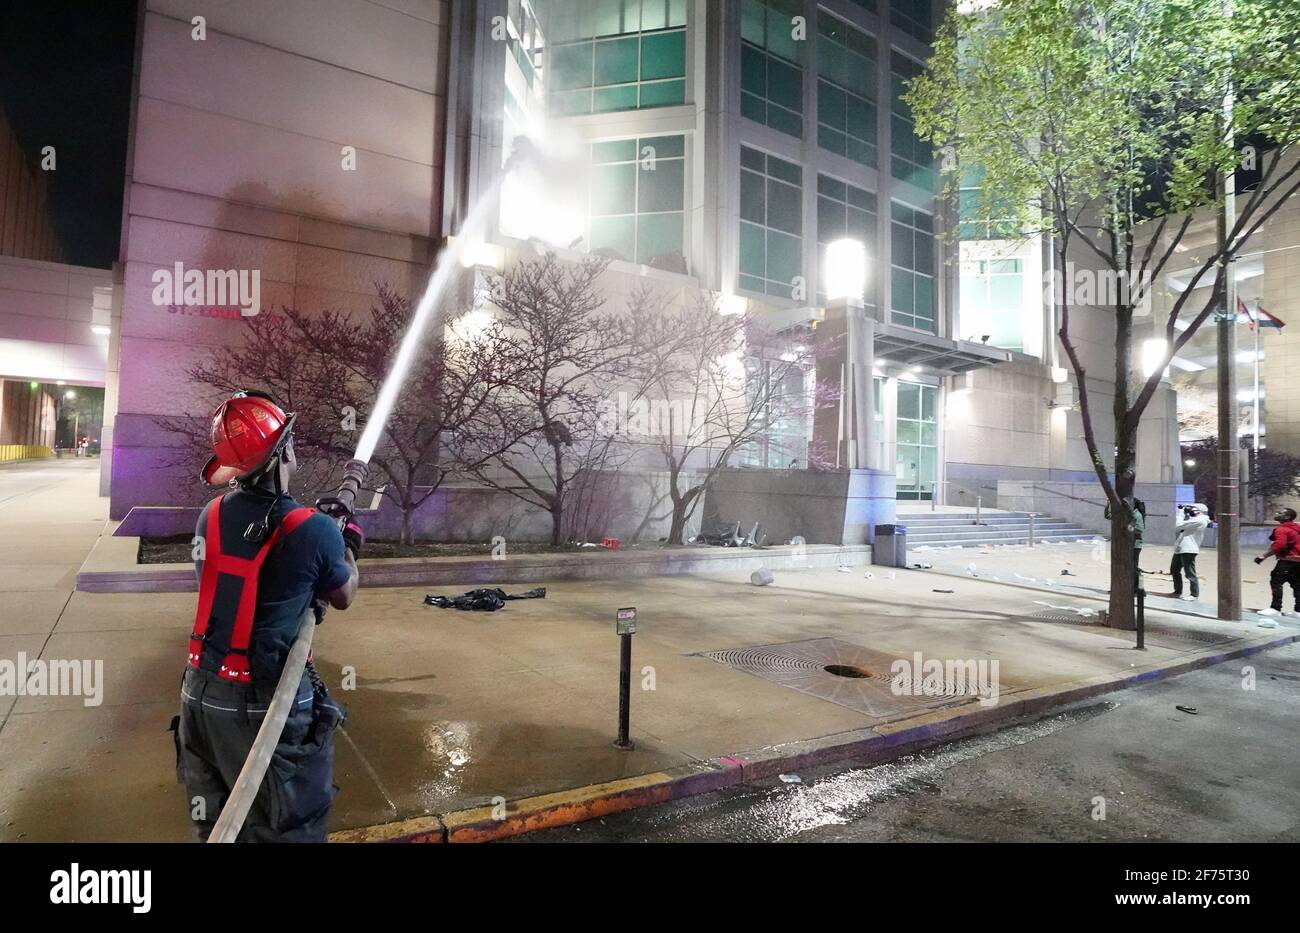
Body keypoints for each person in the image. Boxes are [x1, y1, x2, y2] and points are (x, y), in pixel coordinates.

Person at [172, 391, 362, 842]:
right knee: (287, 828)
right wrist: (348, 543)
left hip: (199, 695)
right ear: (281, 455)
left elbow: (244, 588)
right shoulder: (315, 529)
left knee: (218, 824)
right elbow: (343, 595)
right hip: (266, 702)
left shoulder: (211, 515)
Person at [1255, 507, 1300, 617]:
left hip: (1287, 561)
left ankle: (1275, 608)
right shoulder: (1297, 529)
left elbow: (1279, 545)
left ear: (1287, 517)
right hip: (1298, 561)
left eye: (1280, 512)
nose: (1276, 513)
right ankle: (1298, 610)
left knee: (1276, 582)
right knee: (1297, 585)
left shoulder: (1282, 530)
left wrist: (1263, 556)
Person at [1171, 503, 1210, 601]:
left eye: (1193, 509)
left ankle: (1194, 594)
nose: (1190, 510)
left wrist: (1180, 514)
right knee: (1174, 570)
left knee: (1190, 573)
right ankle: (1178, 591)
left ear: (1200, 510)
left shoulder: (1200, 520)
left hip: (1189, 549)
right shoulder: (1193, 520)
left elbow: (1178, 526)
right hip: (1181, 548)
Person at [1104, 497, 1146, 587]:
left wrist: (1129, 528)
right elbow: (1108, 516)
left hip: (1135, 545)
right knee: (1124, 566)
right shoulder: (1126, 515)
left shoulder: (1137, 515)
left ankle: (1138, 588)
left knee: (1133, 567)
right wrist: (1108, 504)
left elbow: (1140, 529)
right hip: (1126, 545)